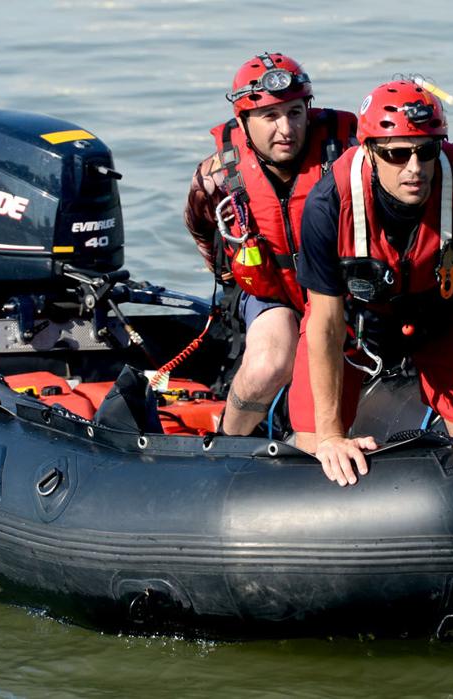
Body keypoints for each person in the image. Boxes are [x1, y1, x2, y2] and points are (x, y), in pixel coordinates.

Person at [291, 78, 453, 490]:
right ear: (369, 151)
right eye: (396, 154)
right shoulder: (327, 204)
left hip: (441, 319)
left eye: (426, 151)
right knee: (314, 445)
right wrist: (329, 436)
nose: (414, 168)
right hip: (353, 327)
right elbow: (325, 324)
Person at [183, 52, 356, 435]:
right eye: (270, 116)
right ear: (243, 122)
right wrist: (233, 274)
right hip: (269, 289)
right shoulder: (215, 177)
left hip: (340, 289)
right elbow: (200, 227)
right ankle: (229, 441)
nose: (287, 129)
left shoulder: (350, 154)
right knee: (268, 364)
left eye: (295, 113)